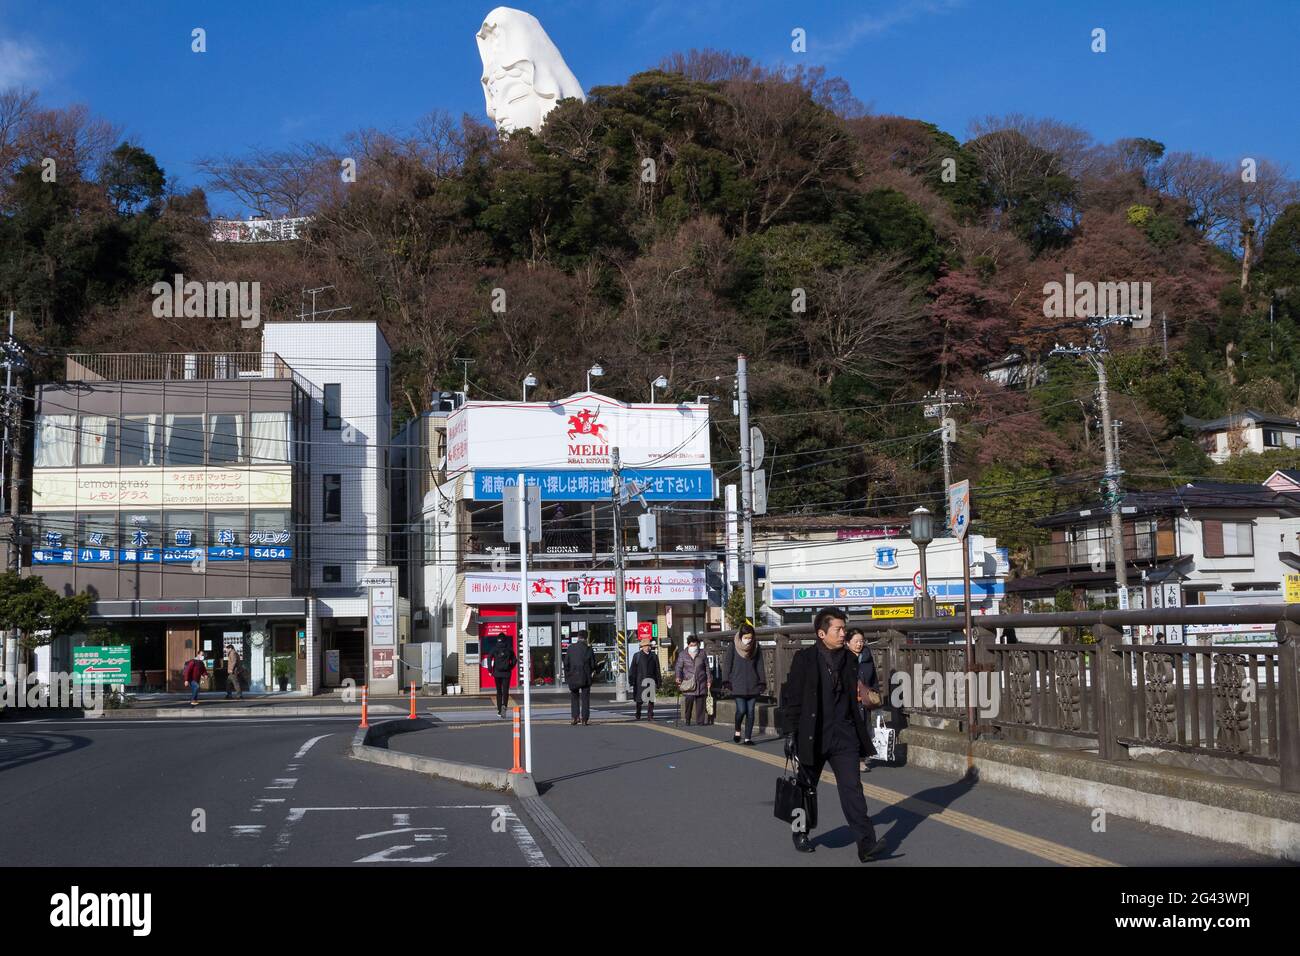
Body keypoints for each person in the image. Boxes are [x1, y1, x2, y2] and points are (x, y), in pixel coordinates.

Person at [778, 606, 887, 862]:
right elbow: (792, 699)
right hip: (812, 734)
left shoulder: (850, 659)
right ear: (821, 633)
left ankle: (866, 844)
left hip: (844, 734)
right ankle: (800, 831)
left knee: (853, 789)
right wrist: (790, 733)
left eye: (844, 629)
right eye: (838, 629)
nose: (843, 633)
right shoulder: (804, 659)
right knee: (805, 788)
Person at [722, 623, 766, 744]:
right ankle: (737, 730)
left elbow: (760, 665)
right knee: (741, 710)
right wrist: (726, 680)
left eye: (750, 637)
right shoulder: (733, 646)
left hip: (753, 683)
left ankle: (748, 738)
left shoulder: (756, 647)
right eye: (746, 637)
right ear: (741, 636)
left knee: (751, 712)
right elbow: (727, 664)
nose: (749, 640)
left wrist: (762, 682)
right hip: (737, 683)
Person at [846, 629, 880, 772]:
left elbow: (874, 679)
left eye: (861, 641)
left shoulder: (866, 656)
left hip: (863, 701)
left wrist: (874, 693)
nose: (859, 644)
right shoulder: (842, 657)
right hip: (847, 701)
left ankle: (860, 761)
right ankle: (848, 759)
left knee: (863, 730)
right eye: (856, 641)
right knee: (849, 731)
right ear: (847, 643)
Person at [674, 635, 711, 725]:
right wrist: (678, 677)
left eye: (695, 645)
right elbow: (678, 667)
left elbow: (707, 667)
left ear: (698, 644)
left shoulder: (702, 653)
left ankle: (700, 721)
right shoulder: (683, 654)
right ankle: (687, 719)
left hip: (701, 681)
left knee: (701, 701)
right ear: (688, 645)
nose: (693, 647)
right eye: (691, 645)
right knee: (689, 700)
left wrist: (709, 680)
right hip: (689, 681)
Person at [565, 630, 596, 725]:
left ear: (578, 637)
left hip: (573, 677)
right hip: (585, 677)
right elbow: (593, 664)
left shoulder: (571, 648)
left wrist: (568, 674)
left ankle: (575, 717)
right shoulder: (588, 649)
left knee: (574, 697)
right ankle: (584, 719)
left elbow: (566, 663)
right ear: (586, 638)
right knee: (585, 698)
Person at [628, 638, 661, 720]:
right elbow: (632, 669)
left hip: (651, 680)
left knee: (651, 700)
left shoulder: (654, 656)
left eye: (648, 645)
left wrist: (659, 681)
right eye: (645, 646)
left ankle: (650, 715)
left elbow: (657, 669)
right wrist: (631, 681)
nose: (647, 647)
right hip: (640, 681)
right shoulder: (637, 656)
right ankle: (638, 713)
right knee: (639, 700)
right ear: (642, 647)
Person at [489, 638, 517, 717]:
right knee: (505, 691)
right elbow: (515, 660)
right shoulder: (509, 649)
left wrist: (490, 669)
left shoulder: (494, 649)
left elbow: (489, 658)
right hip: (506, 673)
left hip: (497, 673)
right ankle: (504, 706)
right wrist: (510, 667)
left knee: (499, 692)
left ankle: (499, 710)